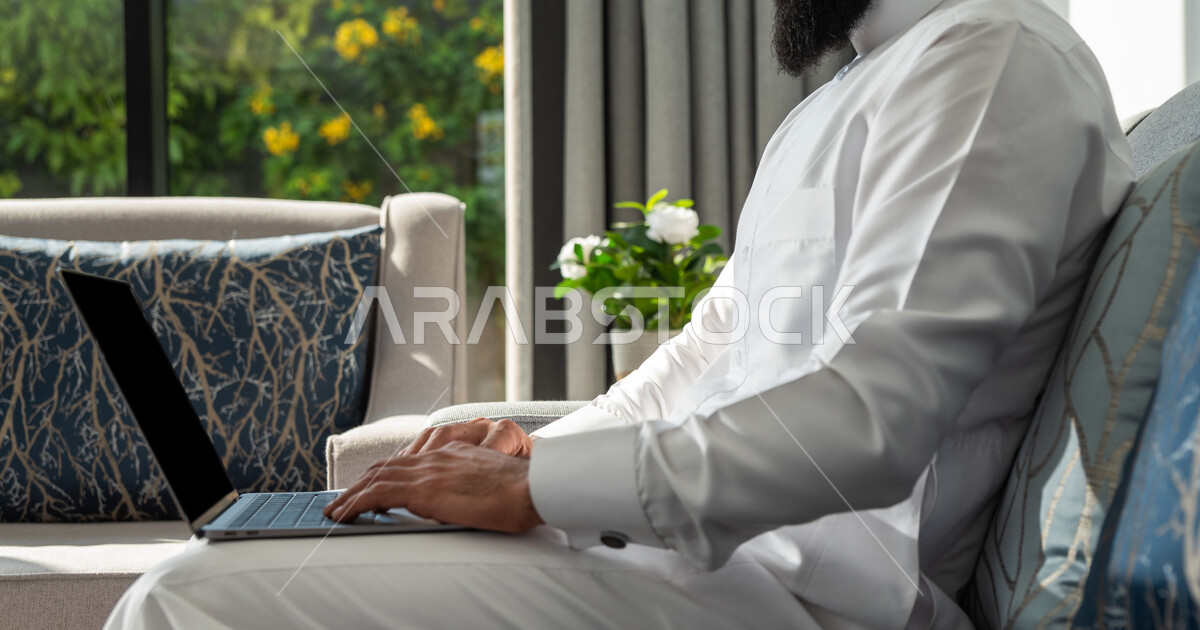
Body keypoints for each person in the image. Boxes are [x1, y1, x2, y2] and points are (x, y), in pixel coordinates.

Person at [106, 0, 1135, 627]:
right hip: (697, 561)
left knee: (189, 603)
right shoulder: (853, 94)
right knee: (233, 563)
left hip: (810, 600)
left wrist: (546, 485)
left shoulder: (991, 62)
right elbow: (711, 350)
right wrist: (533, 457)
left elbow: (872, 419)